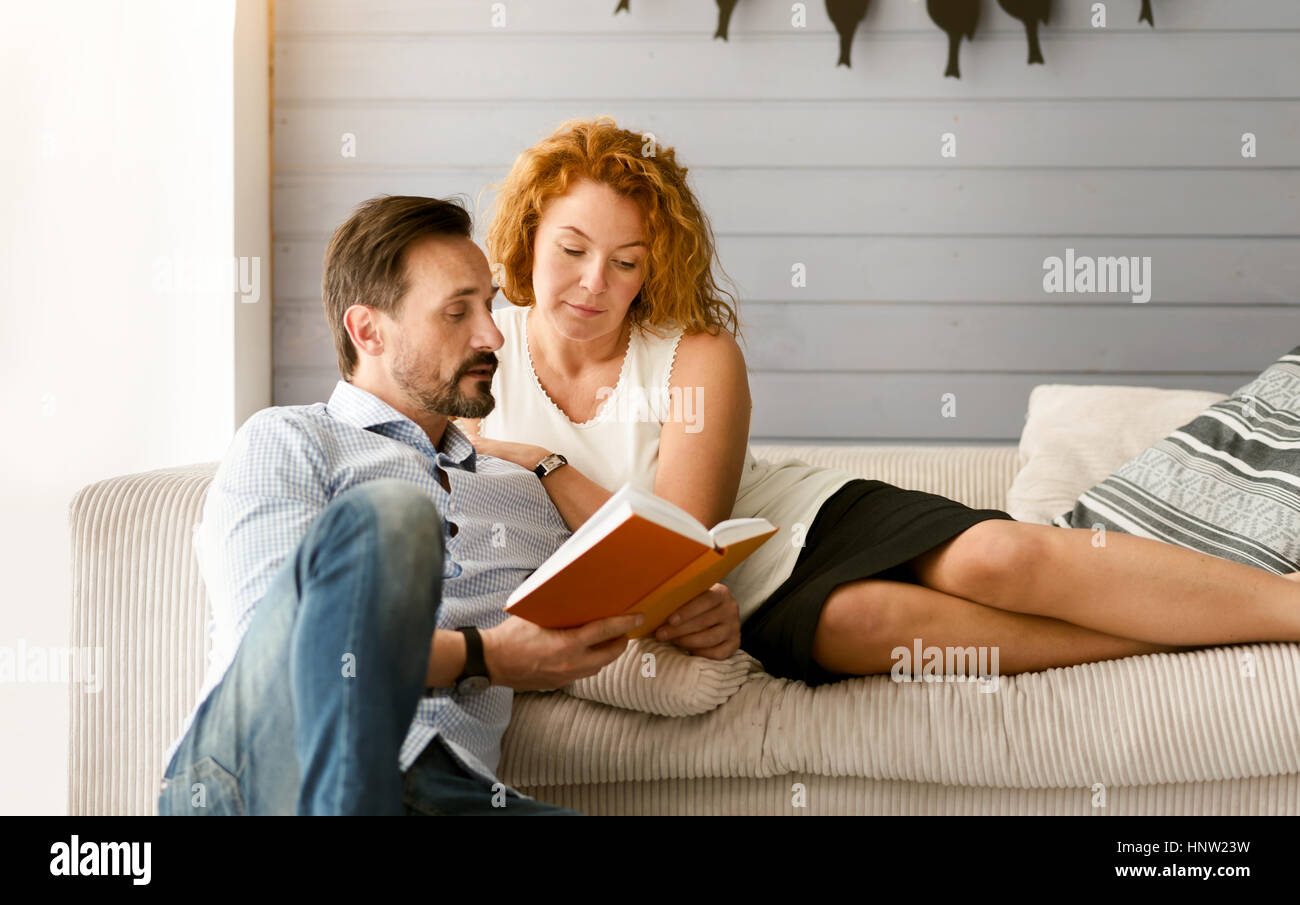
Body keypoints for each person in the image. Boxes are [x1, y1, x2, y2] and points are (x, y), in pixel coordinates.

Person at [463, 117, 1300, 688]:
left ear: (653, 268)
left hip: (787, 526)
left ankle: (1282, 610)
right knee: (868, 627)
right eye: (572, 248)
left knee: (993, 561)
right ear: (532, 231)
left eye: (626, 261)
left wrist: (544, 463)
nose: (592, 283)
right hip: (745, 602)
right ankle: (1190, 628)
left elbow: (675, 549)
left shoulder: (696, 355)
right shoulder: (478, 351)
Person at [157, 193, 742, 816]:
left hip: (440, 791)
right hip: (267, 770)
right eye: (456, 313)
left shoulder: (518, 492)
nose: (492, 335)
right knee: (397, 517)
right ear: (368, 330)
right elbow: (288, 657)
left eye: (488, 306)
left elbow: (617, 603)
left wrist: (696, 613)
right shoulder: (289, 441)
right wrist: (487, 657)